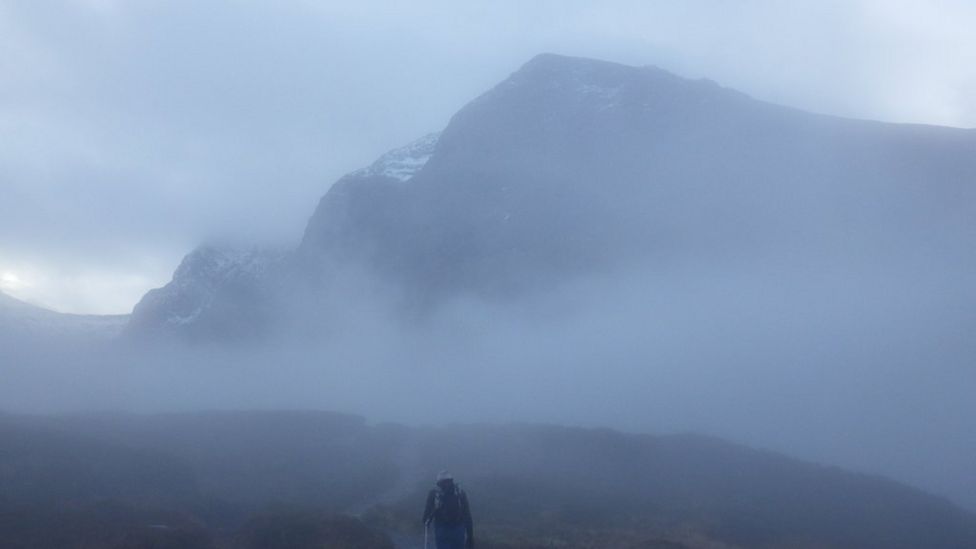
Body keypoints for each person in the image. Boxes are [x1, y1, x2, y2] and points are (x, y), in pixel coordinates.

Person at [422, 470, 474, 548]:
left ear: (438, 483)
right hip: (458, 529)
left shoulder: (434, 494)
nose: (446, 485)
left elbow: (425, 518)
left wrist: (429, 517)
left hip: (442, 530)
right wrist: (470, 537)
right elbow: (467, 515)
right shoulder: (460, 493)